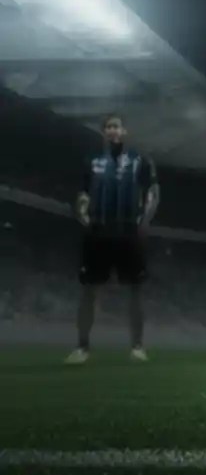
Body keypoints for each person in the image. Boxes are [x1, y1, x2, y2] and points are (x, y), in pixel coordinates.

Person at [65, 114, 160, 364]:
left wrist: (145, 221)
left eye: (116, 126)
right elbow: (83, 193)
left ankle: (138, 347)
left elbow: (152, 192)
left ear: (125, 131)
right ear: (103, 132)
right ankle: (82, 347)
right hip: (98, 232)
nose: (112, 131)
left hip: (129, 232)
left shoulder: (141, 160)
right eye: (108, 127)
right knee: (89, 291)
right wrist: (82, 211)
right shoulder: (92, 161)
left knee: (135, 291)